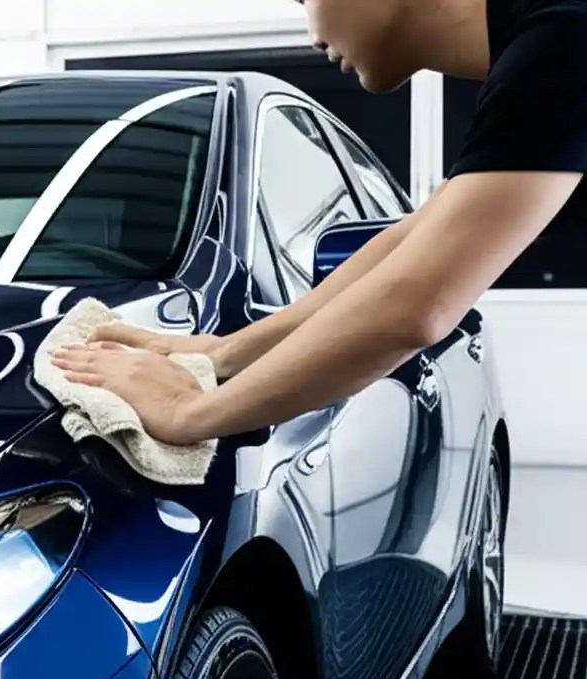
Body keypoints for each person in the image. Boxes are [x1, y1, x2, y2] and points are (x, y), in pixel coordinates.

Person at [53, 0, 587, 445]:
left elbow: (416, 305)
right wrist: (222, 353)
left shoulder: (564, 41)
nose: (311, 33)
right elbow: (419, 237)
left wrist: (188, 412)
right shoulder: (547, 44)